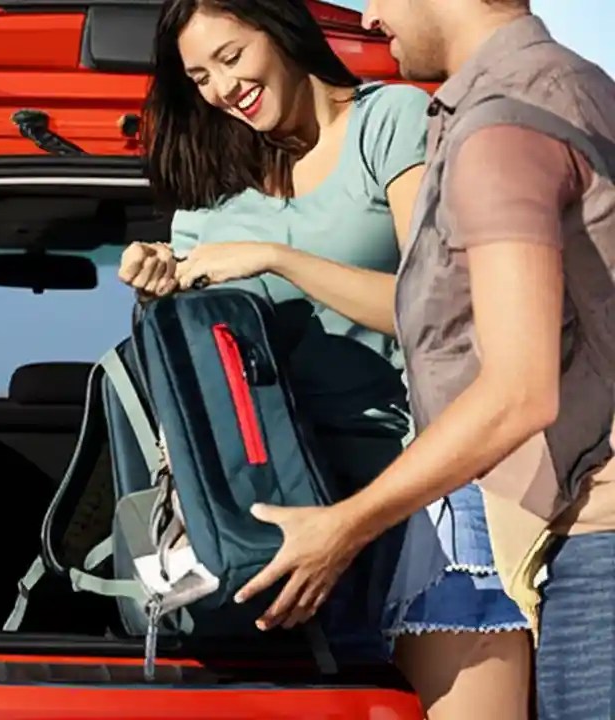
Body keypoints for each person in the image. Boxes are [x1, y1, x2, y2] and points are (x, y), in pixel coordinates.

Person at [115, 0, 530, 717]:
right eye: (199, 76)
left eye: (231, 57)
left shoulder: (389, 121)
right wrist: (161, 282)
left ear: (279, 31)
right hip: (281, 522)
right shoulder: (206, 198)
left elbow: (443, 309)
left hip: (423, 495)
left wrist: (280, 258)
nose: (221, 88)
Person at [229, 1, 615, 718]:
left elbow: (519, 391)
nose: (371, 16)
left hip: (601, 542)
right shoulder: (582, 87)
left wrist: (345, 526)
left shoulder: (505, 127)